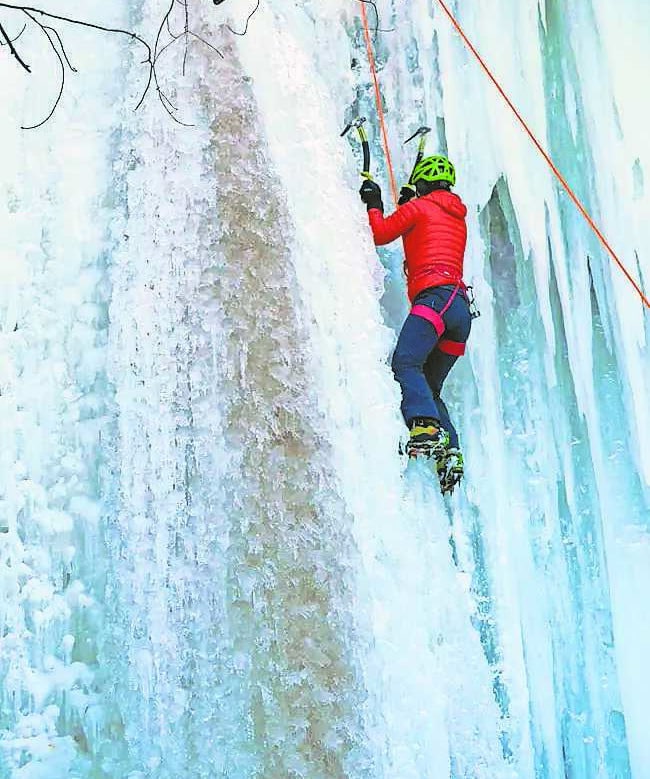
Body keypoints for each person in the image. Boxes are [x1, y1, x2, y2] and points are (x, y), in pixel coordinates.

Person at [359, 155, 472, 489]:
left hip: (434, 302)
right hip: (459, 310)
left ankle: (424, 425)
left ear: (422, 184)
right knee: (428, 385)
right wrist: (411, 205)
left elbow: (380, 233)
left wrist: (374, 202)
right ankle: (450, 452)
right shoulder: (457, 216)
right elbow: (426, 235)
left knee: (406, 363)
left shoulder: (420, 208)